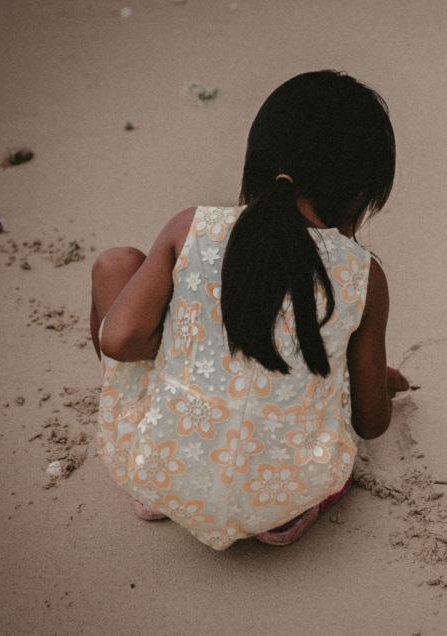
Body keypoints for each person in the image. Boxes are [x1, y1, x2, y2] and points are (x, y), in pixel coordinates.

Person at [89, 70, 409, 550]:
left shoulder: (193, 227)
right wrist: (379, 382)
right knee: (314, 393)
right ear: (360, 195)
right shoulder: (363, 276)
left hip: (161, 470)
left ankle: (165, 484)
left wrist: (182, 344)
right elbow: (371, 422)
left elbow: (119, 340)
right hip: (280, 499)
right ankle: (287, 518)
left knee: (118, 266)